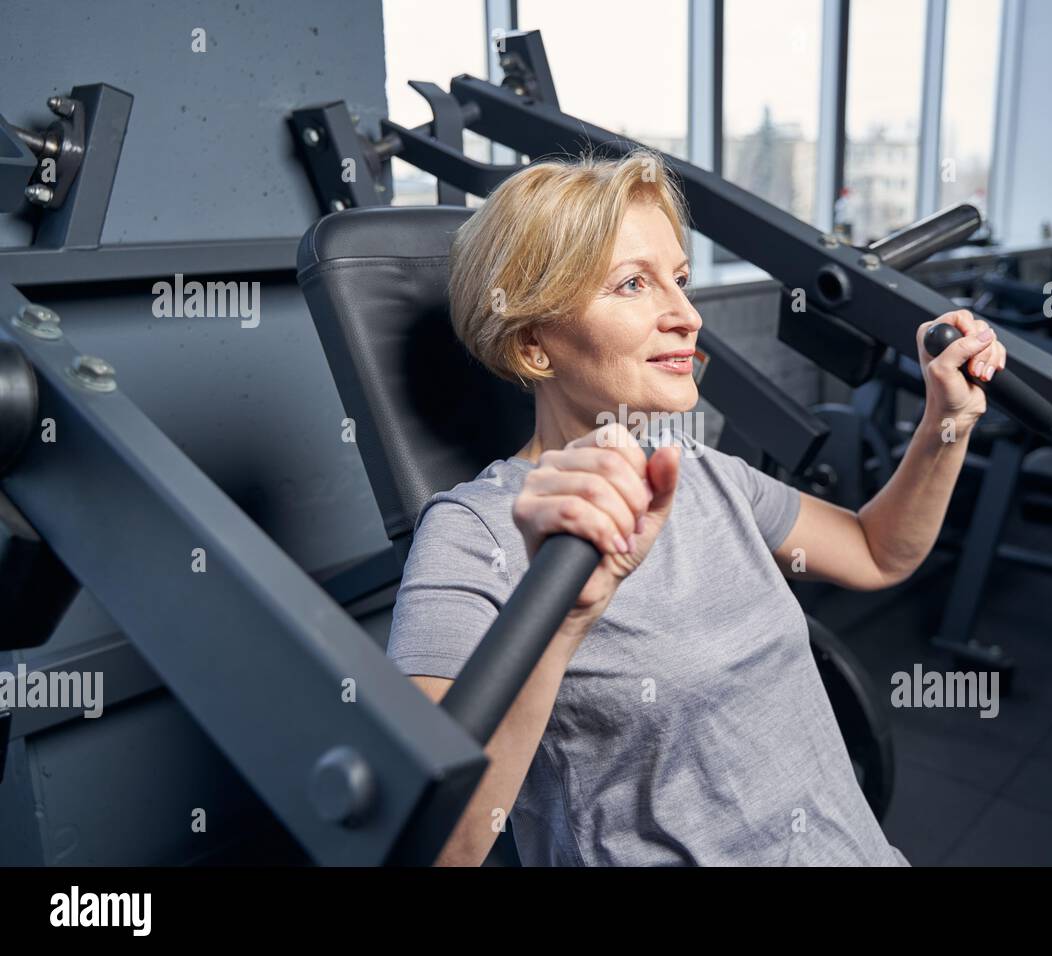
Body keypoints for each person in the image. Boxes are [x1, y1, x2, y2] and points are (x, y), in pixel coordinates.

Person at [387, 148, 1006, 866]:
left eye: (678, 281)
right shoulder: (473, 531)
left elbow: (876, 552)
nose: (685, 315)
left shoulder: (707, 475)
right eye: (632, 285)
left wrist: (947, 421)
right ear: (533, 344)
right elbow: (434, 848)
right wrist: (563, 621)